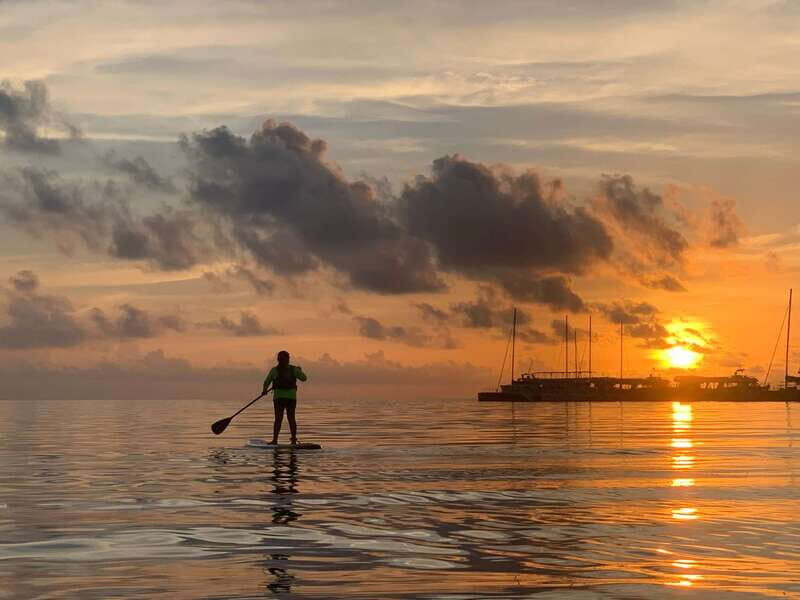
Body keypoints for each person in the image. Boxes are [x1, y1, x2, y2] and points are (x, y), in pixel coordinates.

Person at [263, 351, 307, 445]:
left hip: (279, 398)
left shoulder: (274, 370)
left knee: (278, 419)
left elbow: (267, 381)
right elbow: (304, 378)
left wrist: (264, 391)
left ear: (278, 360)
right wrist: (300, 371)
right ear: (288, 359)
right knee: (291, 418)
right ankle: (294, 440)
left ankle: (275, 440)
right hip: (291, 398)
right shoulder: (294, 369)